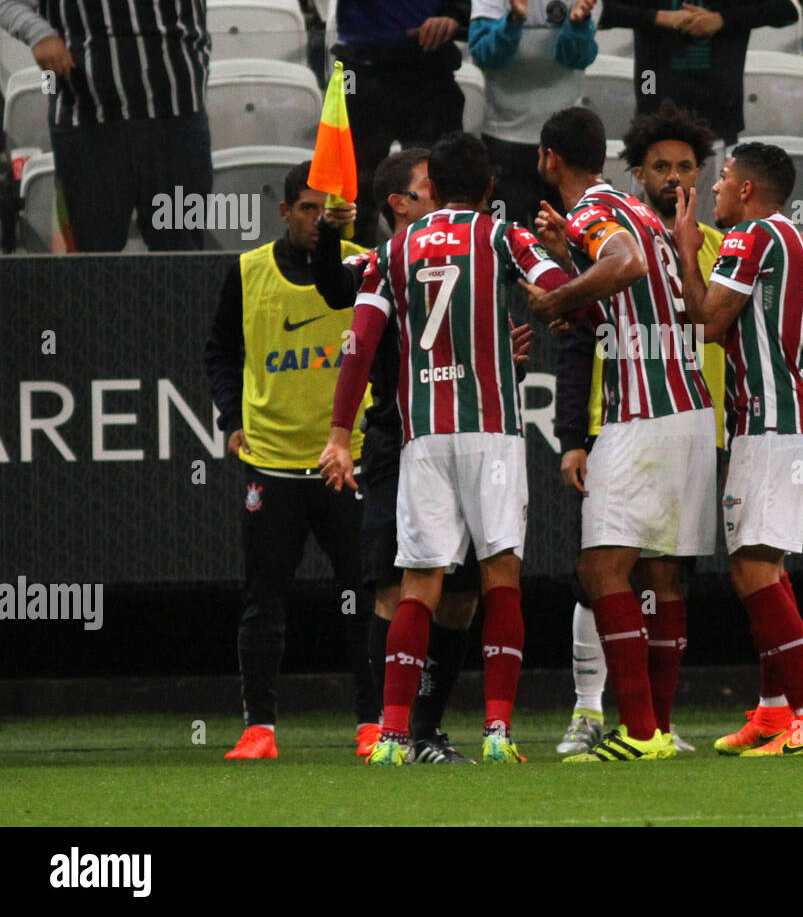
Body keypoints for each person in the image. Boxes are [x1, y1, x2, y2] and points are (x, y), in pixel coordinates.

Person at [320, 132, 571, 766]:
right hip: (491, 431)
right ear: (488, 187)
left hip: (422, 436)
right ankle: (496, 733)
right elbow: (557, 285)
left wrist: (339, 434)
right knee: (499, 578)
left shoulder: (394, 249)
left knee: (419, 582)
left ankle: (394, 737)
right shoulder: (501, 235)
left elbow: (359, 341)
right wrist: (562, 294)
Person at [523, 106, 715, 763]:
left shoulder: (596, 215)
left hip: (643, 412)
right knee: (664, 576)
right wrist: (572, 274)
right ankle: (658, 728)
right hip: (691, 406)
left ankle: (635, 730)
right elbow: (636, 287)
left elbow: (625, 265)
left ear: (549, 158)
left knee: (601, 569)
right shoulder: (643, 214)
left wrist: (556, 297)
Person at [313, 147, 485, 764]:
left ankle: (429, 732)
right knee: (399, 584)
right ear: (401, 204)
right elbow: (335, 285)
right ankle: (392, 730)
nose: (441, 195)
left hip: (465, 434)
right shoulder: (378, 261)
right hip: (397, 441)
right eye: (428, 188)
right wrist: (331, 235)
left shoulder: (467, 256)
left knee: (462, 595)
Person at [671, 143, 803, 757]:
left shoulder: (749, 239)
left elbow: (708, 324)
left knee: (752, 569)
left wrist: (688, 251)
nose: (712, 189)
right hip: (800, 420)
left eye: (721, 180)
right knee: (768, 567)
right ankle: (773, 713)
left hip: (774, 424)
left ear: (746, 191)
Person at [204, 162, 377, 759]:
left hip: (347, 461)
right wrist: (231, 420)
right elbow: (221, 351)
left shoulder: (361, 262)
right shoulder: (248, 271)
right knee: (264, 598)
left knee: (365, 595)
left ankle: (373, 723)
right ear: (284, 211)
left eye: (327, 210)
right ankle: (259, 728)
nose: (316, 220)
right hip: (273, 463)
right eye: (306, 208)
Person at [0, 0, 244, 252]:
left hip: (175, 122)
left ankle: (182, 317)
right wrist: (40, 34)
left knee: (182, 252)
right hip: (90, 125)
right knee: (93, 257)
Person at [290, 0, 491, 245]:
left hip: (430, 71)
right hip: (363, 70)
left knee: (443, 189)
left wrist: (453, 16)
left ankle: (440, 279)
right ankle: (354, 288)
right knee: (356, 193)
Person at [600, 0, 798, 145]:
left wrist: (722, 20)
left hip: (716, 118)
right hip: (654, 110)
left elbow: (786, 11)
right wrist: (660, 18)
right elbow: (603, 11)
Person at [469, 0, 601, 225]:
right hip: (505, 138)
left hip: (564, 141)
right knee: (507, 237)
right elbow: (485, 56)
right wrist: (512, 22)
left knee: (568, 238)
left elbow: (578, 58)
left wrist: (577, 25)